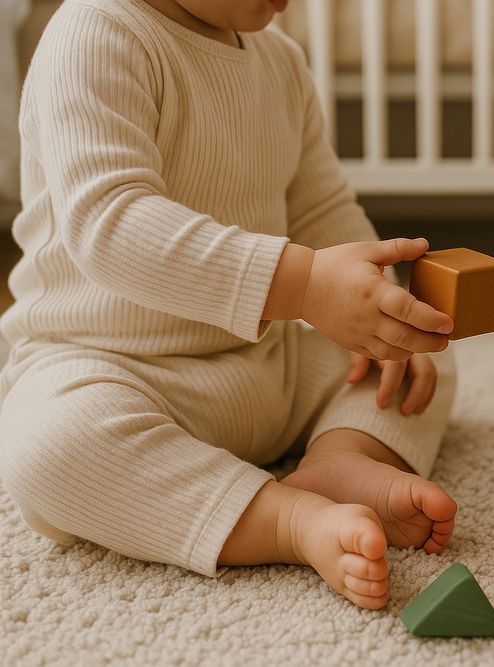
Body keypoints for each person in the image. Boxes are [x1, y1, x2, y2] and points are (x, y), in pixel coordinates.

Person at [0, 0, 459, 610]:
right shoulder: (94, 32)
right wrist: (302, 285)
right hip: (115, 367)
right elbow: (109, 224)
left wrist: (377, 309)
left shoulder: (282, 63)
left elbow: (323, 212)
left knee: (421, 356)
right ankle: (284, 518)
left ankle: (342, 457)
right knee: (51, 447)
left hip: (267, 363)